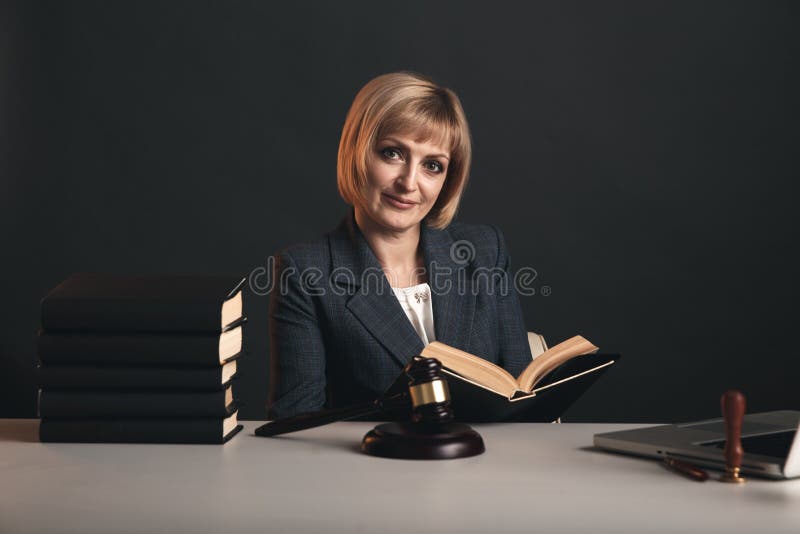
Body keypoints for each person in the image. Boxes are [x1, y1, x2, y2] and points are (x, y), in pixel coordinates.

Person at [268, 72, 532, 419]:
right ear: (358, 152)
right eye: (392, 153)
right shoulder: (305, 272)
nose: (409, 182)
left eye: (432, 166)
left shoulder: (485, 251)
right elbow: (295, 425)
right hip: (370, 469)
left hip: (487, 466)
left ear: (448, 180)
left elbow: (523, 397)